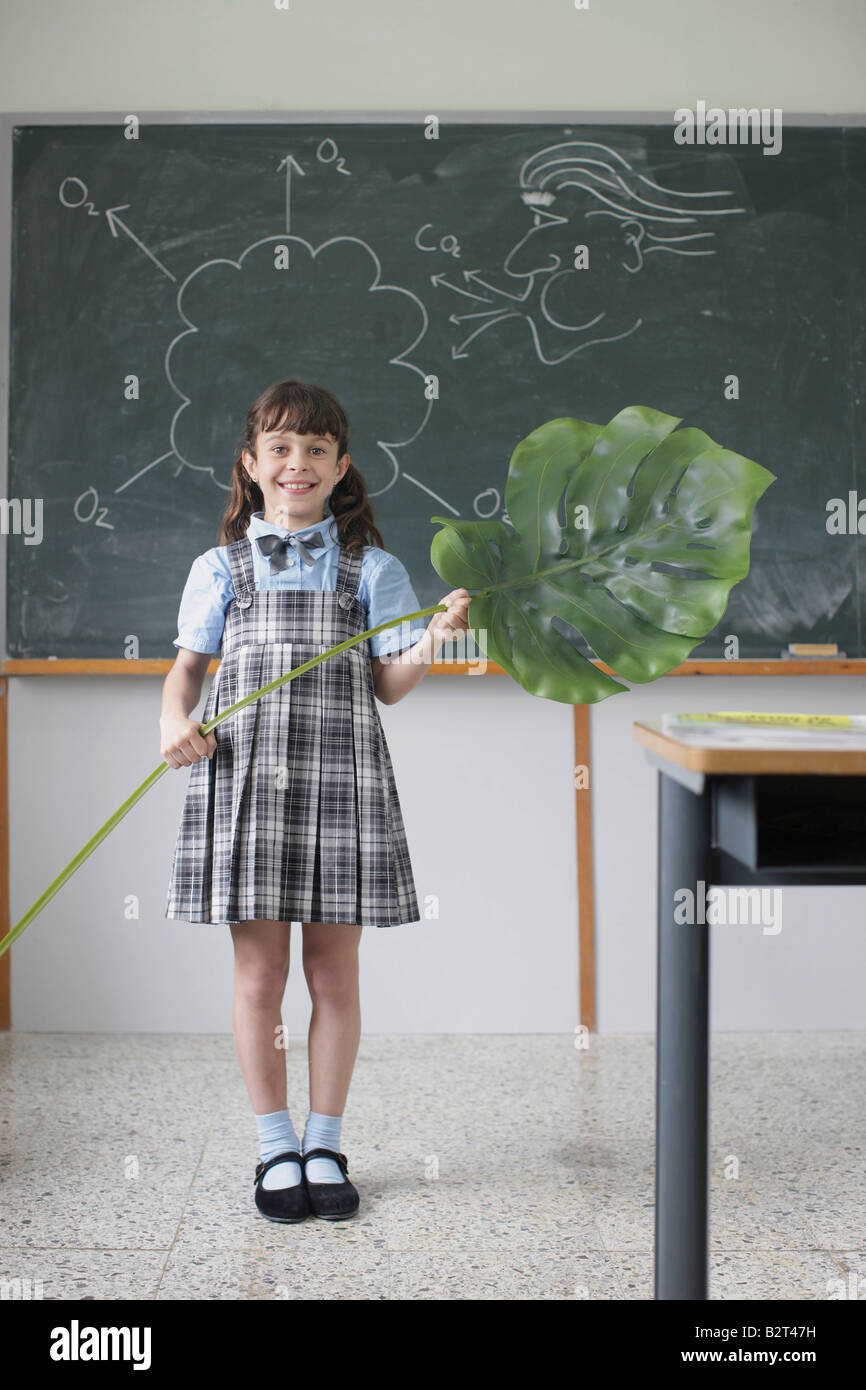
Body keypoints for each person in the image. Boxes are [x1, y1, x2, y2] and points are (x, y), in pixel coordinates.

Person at [159, 379, 470, 1225]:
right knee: (259, 973)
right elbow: (186, 671)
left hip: (344, 778)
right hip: (249, 780)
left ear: (341, 468)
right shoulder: (219, 568)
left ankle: (325, 1140)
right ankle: (273, 1147)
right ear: (252, 465)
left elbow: (391, 686)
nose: (299, 463)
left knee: (333, 970)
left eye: (317, 450)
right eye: (282, 448)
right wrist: (170, 723)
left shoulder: (375, 567)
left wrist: (433, 640)